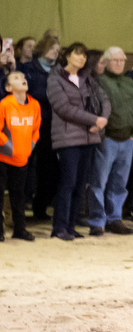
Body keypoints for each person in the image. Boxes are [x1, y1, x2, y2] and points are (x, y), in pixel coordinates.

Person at [47, 42, 111, 241]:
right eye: (77, 54)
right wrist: (94, 120)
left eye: (84, 55)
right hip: (67, 138)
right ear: (66, 56)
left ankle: (71, 226)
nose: (82, 58)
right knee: (68, 182)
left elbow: (105, 100)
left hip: (89, 136)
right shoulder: (55, 79)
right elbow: (63, 108)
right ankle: (59, 227)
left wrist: (102, 121)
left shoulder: (88, 79)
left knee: (81, 184)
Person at [89, 47, 133, 236]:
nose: (120, 63)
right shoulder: (99, 82)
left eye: (122, 60)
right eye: (115, 60)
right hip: (107, 139)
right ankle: (97, 221)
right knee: (99, 182)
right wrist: (102, 136)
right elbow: (95, 109)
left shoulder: (130, 83)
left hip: (127, 141)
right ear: (106, 62)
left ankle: (115, 219)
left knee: (119, 184)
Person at [18, 33, 60, 221]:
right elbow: (27, 93)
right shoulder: (28, 68)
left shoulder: (59, 71)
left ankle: (40, 208)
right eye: (52, 48)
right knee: (24, 166)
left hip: (52, 126)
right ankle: (19, 207)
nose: (55, 52)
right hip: (29, 124)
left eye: (58, 50)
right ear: (43, 49)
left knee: (48, 169)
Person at [0, 71, 41, 241]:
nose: (23, 80)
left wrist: (28, 149)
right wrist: (9, 148)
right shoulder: (5, 104)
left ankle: (19, 229)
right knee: (0, 194)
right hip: (3, 158)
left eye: (23, 77)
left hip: (22, 158)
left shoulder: (35, 105)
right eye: (17, 78)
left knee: (19, 195)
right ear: (8, 88)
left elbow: (35, 131)